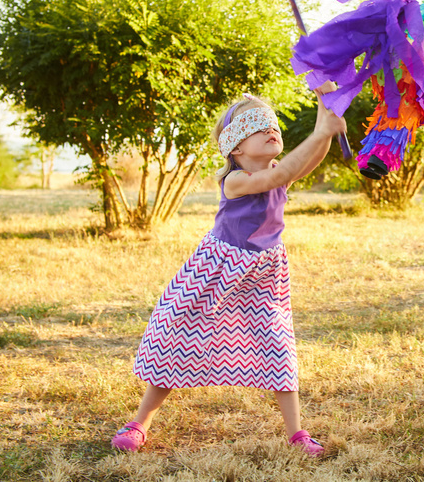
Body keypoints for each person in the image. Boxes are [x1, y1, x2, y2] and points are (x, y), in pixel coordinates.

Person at [111, 87, 346, 457]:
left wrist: (325, 107)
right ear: (235, 148)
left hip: (263, 274)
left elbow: (308, 158)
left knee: (278, 346)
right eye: (258, 127)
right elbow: (283, 171)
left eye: (274, 127)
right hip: (219, 271)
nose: (271, 131)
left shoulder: (276, 172)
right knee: (180, 340)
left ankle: (297, 433)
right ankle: (140, 422)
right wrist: (322, 131)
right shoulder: (235, 180)